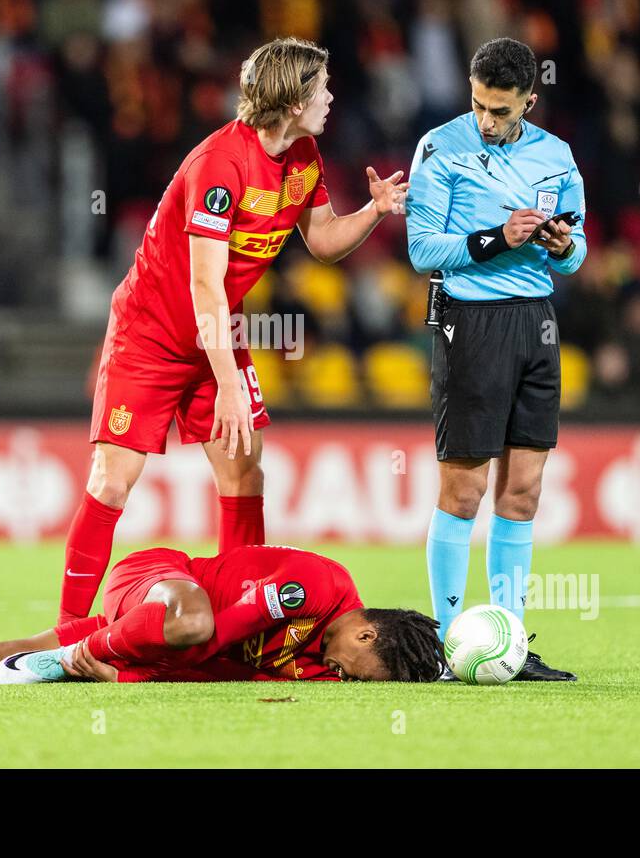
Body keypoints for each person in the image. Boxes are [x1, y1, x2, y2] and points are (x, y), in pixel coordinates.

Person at [60, 36, 408, 624]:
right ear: (294, 101)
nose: (331, 99)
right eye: (322, 89)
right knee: (113, 481)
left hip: (217, 334)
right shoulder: (219, 166)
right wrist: (228, 384)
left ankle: (240, 623)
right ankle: (69, 633)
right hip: (150, 335)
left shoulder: (304, 157)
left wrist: (373, 211)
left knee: (245, 470)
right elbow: (203, 284)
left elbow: (323, 241)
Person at [405, 37, 586, 681]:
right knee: (465, 489)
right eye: (479, 105)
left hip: (536, 321)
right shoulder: (440, 147)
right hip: (470, 321)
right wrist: (495, 239)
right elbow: (422, 249)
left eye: (501, 110)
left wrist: (562, 247)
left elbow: (578, 254)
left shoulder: (557, 157)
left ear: (529, 102)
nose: (486, 120)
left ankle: (508, 642)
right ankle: (446, 644)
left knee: (523, 491)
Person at [0, 545, 446, 686]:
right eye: (359, 668)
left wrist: (121, 670)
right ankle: (56, 663)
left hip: (145, 641)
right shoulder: (318, 587)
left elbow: (214, 676)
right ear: (366, 631)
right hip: (158, 585)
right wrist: (108, 660)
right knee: (198, 624)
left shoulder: (324, 663)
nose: (341, 677)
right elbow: (214, 644)